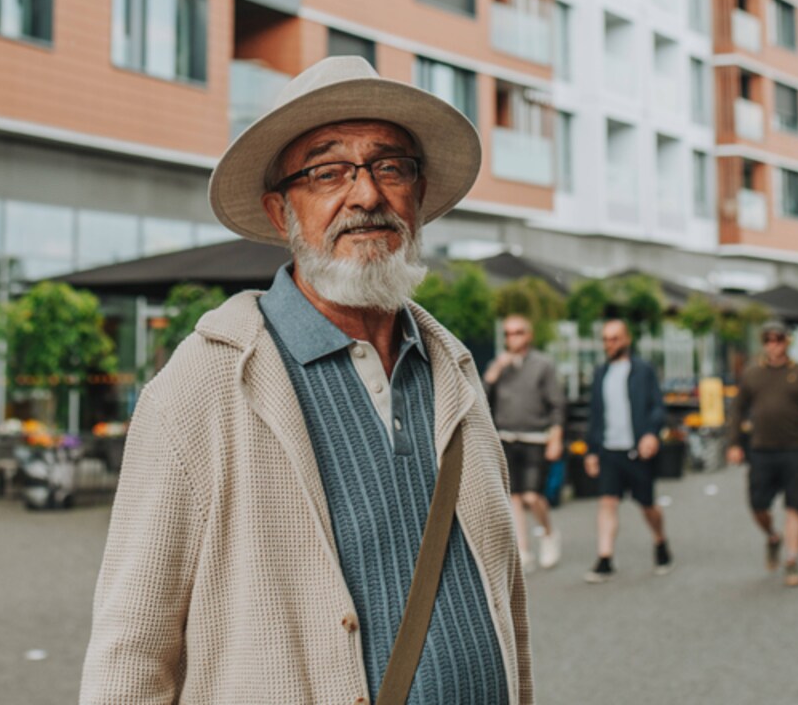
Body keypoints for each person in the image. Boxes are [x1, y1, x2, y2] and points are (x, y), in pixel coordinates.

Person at [81, 57, 529, 705]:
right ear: (280, 209)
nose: (368, 196)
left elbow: (505, 608)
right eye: (327, 172)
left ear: (420, 196)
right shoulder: (202, 390)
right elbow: (128, 661)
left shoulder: (455, 372)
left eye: (390, 166)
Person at [725, 322, 798, 589]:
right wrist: (734, 443)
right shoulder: (752, 374)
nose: (774, 345)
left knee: (794, 506)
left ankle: (792, 560)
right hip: (761, 449)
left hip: (796, 448)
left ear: (787, 342)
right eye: (769, 340)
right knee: (758, 505)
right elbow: (738, 410)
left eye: (779, 340)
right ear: (763, 343)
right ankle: (773, 537)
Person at [581, 318, 671, 583]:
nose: (610, 344)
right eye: (606, 339)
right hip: (610, 449)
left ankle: (660, 541)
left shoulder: (643, 370)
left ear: (627, 339)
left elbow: (658, 407)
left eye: (615, 338)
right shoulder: (600, 373)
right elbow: (595, 414)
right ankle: (605, 558)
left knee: (647, 505)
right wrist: (591, 450)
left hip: (637, 450)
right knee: (607, 502)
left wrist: (651, 435)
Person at [484, 313, 566, 571]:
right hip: (505, 437)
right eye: (508, 333)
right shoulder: (498, 366)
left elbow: (557, 404)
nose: (513, 338)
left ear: (528, 335)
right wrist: (494, 372)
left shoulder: (543, 365)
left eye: (518, 332)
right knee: (513, 498)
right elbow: (481, 400)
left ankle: (548, 534)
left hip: (535, 438)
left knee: (532, 496)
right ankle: (523, 549)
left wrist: (557, 437)